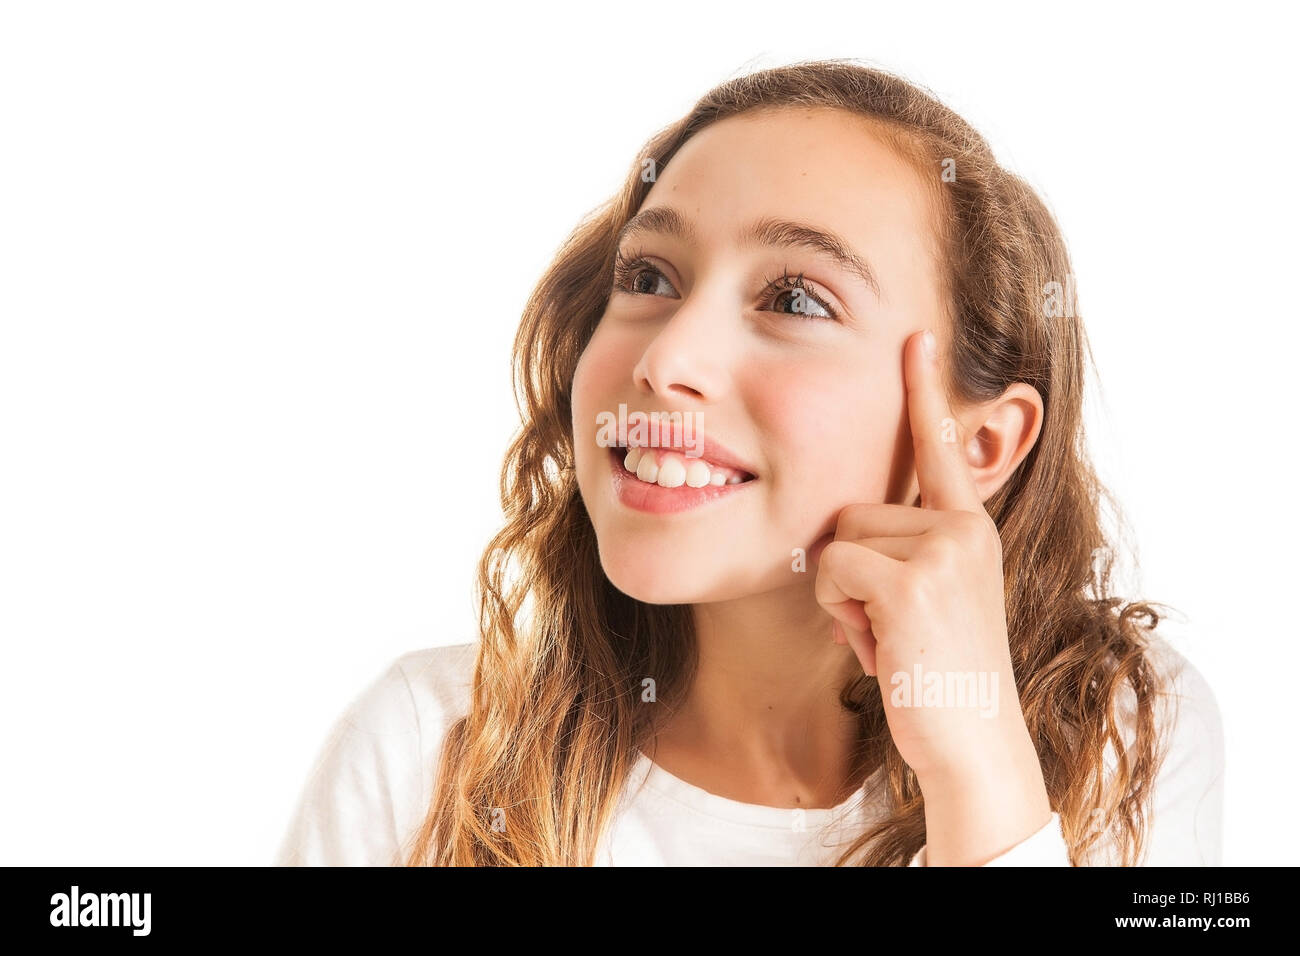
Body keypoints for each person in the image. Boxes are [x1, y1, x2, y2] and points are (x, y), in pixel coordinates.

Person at [275, 59, 1224, 867]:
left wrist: (979, 771)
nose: (665, 359)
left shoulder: (1125, 732)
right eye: (648, 278)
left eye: (797, 300)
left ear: (979, 445)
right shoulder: (422, 751)